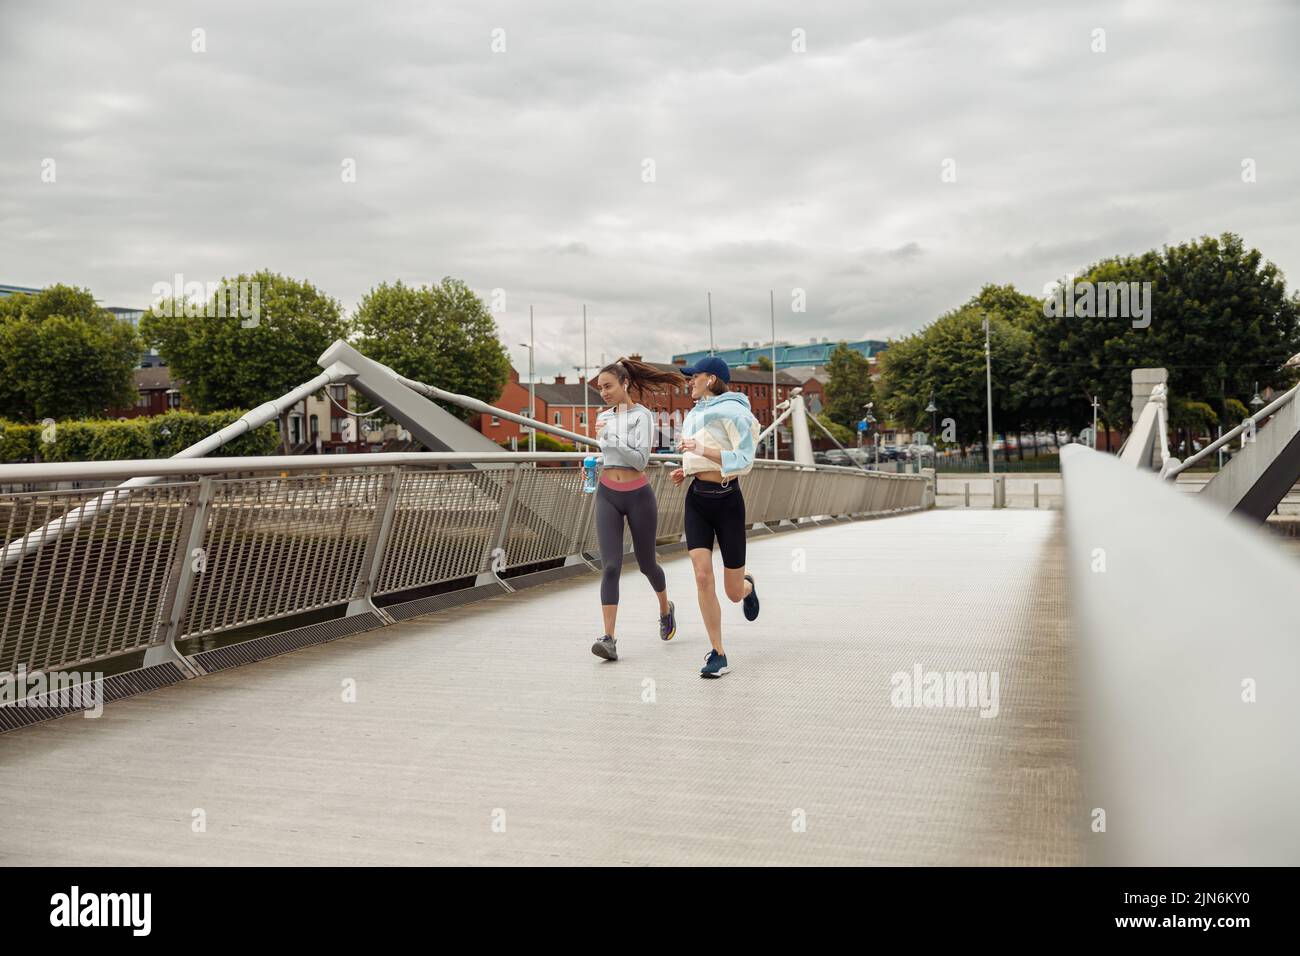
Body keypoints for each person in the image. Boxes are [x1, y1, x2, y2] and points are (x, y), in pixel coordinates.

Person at [670, 356, 762, 678]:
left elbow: (745, 460)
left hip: (728, 501)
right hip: (697, 499)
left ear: (710, 379)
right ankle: (718, 653)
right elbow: (696, 453)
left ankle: (747, 588)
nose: (689, 382)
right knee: (701, 576)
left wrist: (700, 451)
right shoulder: (695, 413)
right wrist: (687, 468)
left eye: (693, 377)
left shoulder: (738, 413)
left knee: (732, 591)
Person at [589, 357, 683, 662]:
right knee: (611, 566)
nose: (603, 392)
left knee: (646, 564)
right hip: (607, 493)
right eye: (600, 388)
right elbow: (609, 453)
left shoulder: (642, 416)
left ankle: (665, 608)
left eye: (608, 386)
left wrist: (609, 436)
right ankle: (609, 638)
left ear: (625, 384)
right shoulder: (603, 417)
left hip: (638, 494)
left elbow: (640, 460)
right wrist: (592, 461)